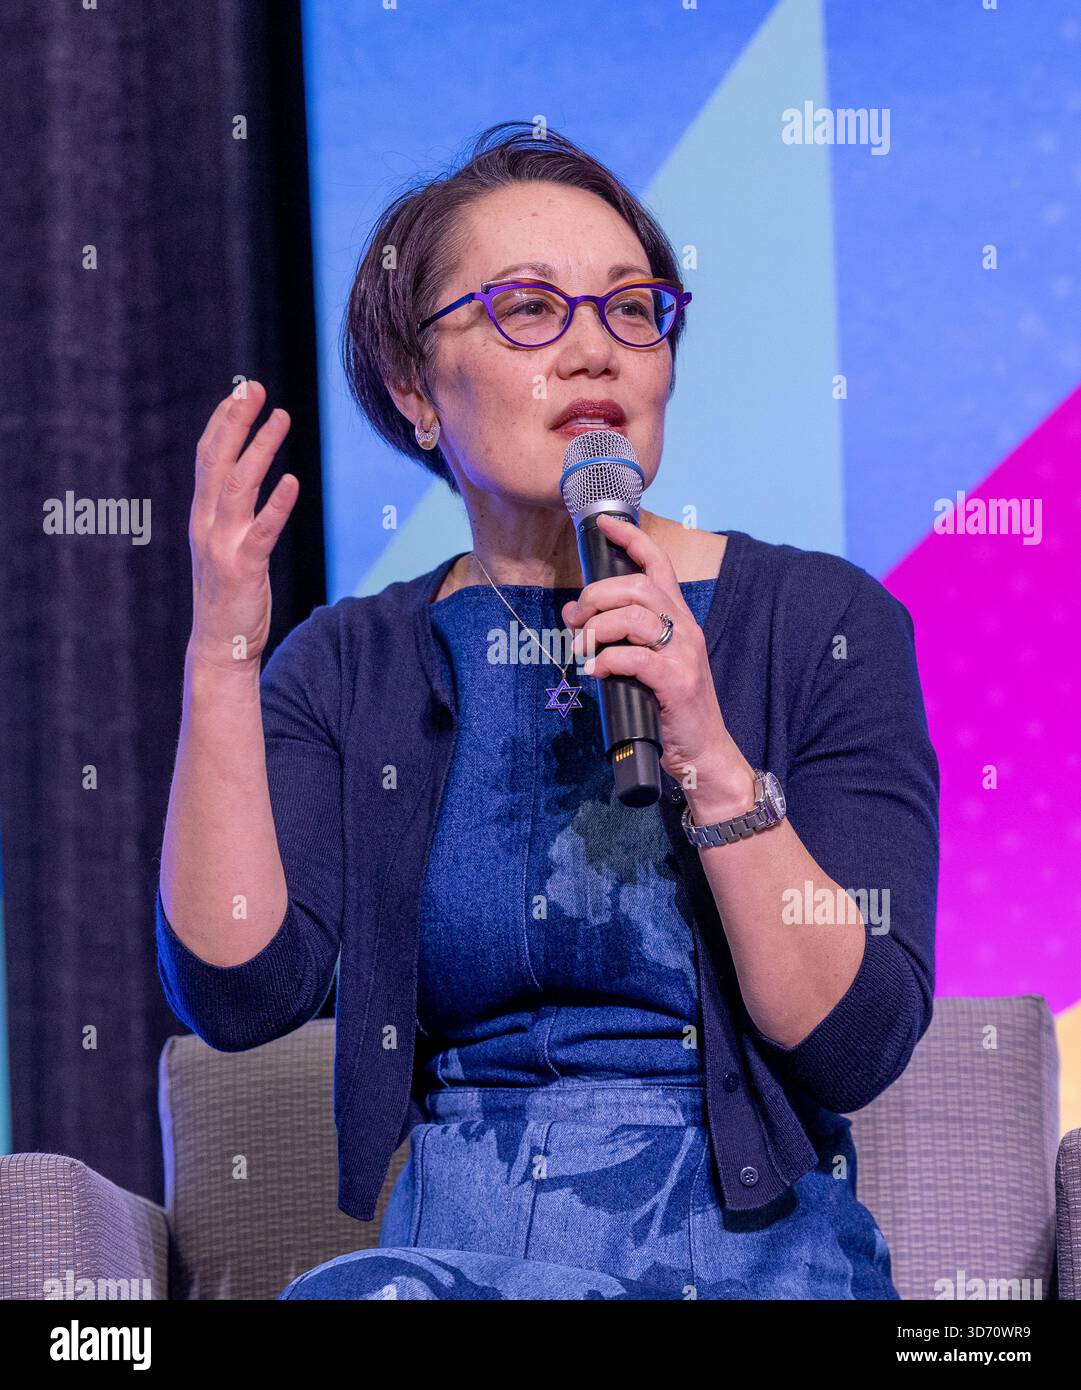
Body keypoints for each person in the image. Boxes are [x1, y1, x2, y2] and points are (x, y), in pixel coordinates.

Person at [157, 121, 938, 1300]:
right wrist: (223, 652)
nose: (596, 353)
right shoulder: (353, 663)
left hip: (752, 1262)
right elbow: (240, 989)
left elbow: (859, 1039)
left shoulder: (822, 623)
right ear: (415, 386)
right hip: (453, 1265)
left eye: (632, 309)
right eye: (528, 308)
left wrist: (712, 757)